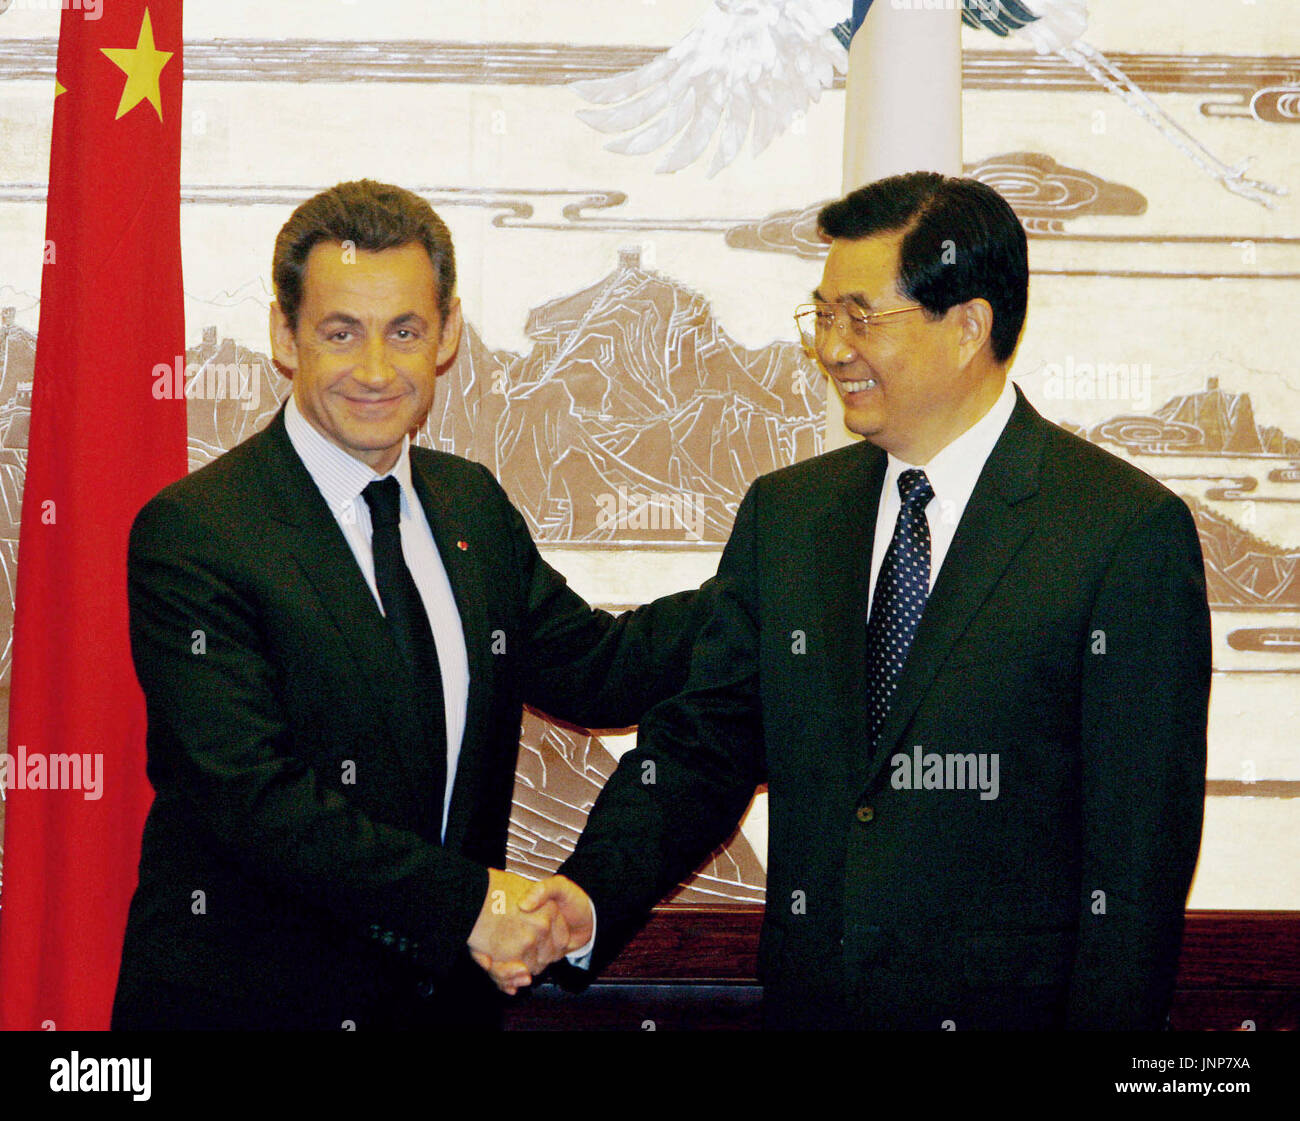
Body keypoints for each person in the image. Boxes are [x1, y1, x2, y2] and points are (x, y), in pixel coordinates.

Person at [520, 172, 1212, 1029]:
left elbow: (1136, 870)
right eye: (823, 315)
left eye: (861, 316)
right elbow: (704, 745)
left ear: (968, 327)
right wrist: (590, 895)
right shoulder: (791, 517)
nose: (831, 347)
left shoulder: (1120, 534)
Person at [110, 179, 706, 1030]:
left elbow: (603, 672)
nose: (377, 370)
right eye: (341, 333)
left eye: (405, 331)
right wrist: (474, 903)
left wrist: (773, 578)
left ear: (449, 334)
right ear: (284, 336)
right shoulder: (196, 532)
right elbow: (255, 801)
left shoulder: (470, 507)